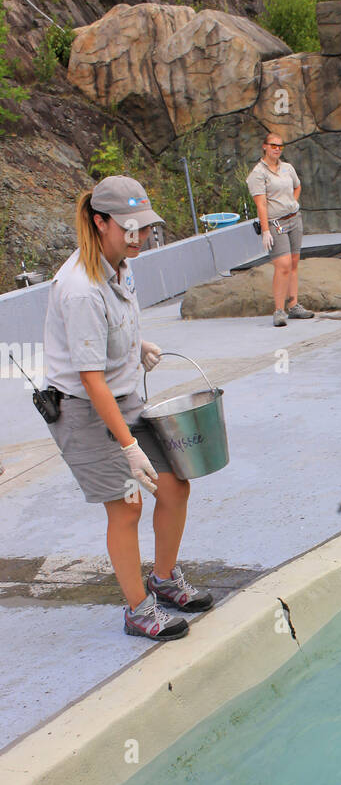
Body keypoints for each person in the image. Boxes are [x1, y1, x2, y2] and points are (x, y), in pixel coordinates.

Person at [41, 175, 213, 641]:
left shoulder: (122, 264)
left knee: (175, 485)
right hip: (84, 410)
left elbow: (111, 328)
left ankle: (162, 578)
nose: (139, 236)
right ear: (100, 222)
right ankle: (139, 610)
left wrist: (136, 344)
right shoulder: (80, 286)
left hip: (124, 397)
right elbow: (89, 379)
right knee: (127, 506)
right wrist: (129, 445)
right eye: (128, 227)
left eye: (143, 227)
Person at [246, 133, 313, 325]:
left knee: (293, 262)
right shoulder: (258, 173)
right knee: (282, 265)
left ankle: (294, 305)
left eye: (280, 146)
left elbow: (297, 186)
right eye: (273, 145)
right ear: (264, 146)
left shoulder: (287, 168)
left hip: (294, 219)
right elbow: (261, 205)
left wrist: (292, 202)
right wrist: (265, 231)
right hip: (276, 223)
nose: (277, 149)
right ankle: (279, 310)